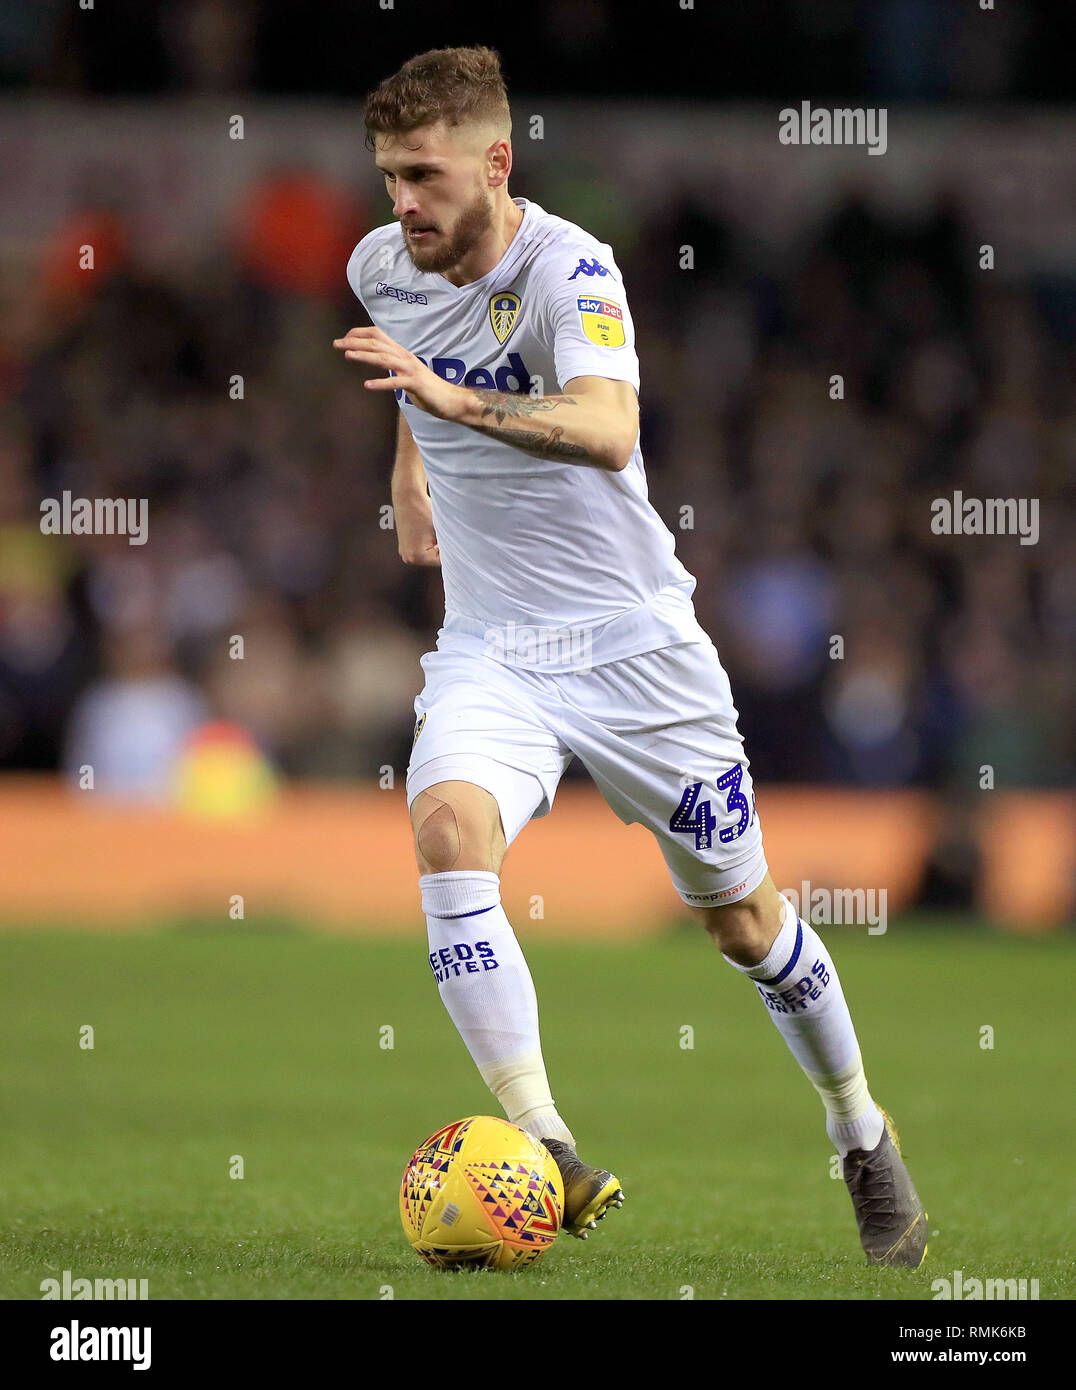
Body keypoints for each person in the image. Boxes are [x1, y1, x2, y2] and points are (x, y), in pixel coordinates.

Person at [334, 45, 926, 1264]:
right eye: (389, 175)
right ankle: (544, 1146)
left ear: (496, 163)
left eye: (425, 176)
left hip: (635, 654)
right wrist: (411, 463)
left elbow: (607, 430)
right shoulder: (381, 265)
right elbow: (404, 367)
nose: (402, 203)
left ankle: (861, 1133)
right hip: (493, 646)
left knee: (744, 924)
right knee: (446, 829)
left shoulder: (572, 270)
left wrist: (448, 407)